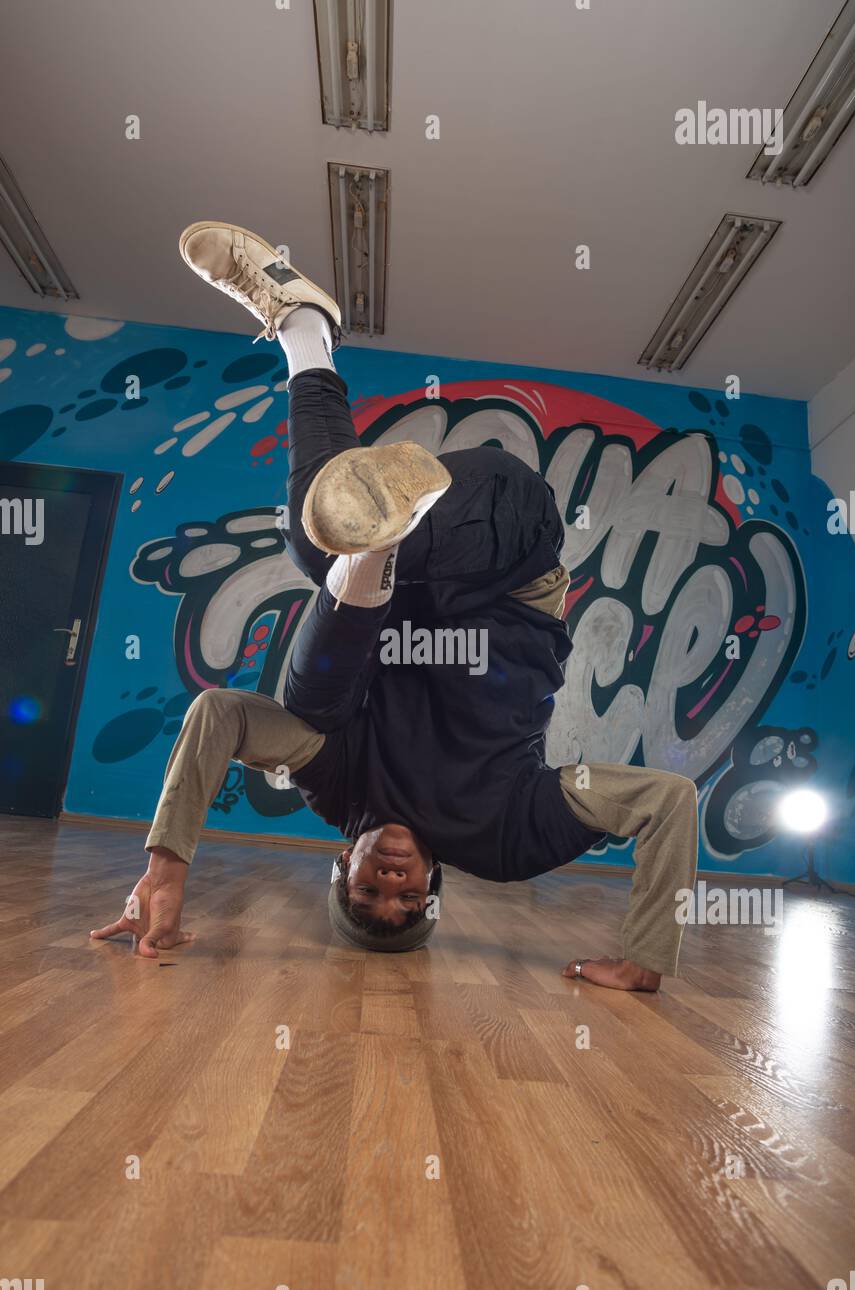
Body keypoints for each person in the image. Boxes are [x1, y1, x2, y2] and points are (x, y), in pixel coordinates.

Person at [92, 222, 698, 991]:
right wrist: (645, 961)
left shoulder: (337, 788)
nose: (391, 877)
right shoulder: (505, 841)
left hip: (392, 584)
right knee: (325, 546)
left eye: (366, 890)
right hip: (507, 558)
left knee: (316, 582)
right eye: (408, 896)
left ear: (341, 864)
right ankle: (369, 527)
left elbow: (223, 715)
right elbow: (668, 799)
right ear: (435, 884)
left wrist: (167, 866)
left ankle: (306, 335)